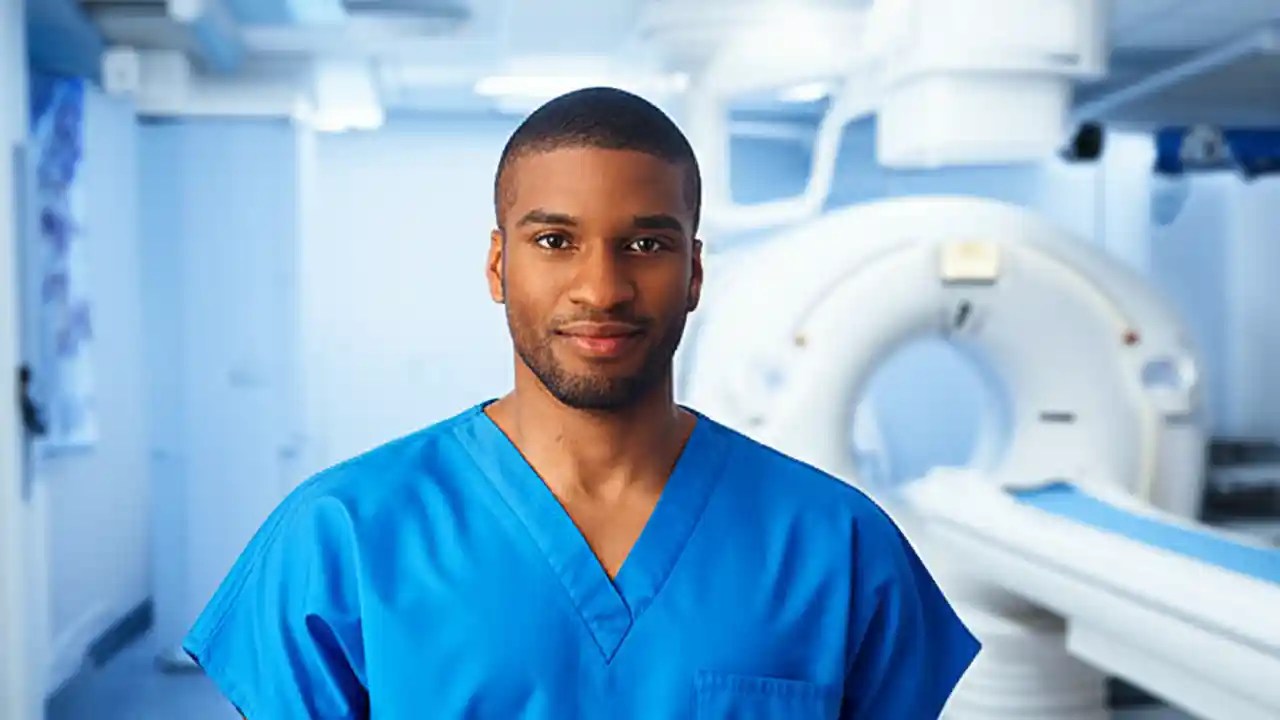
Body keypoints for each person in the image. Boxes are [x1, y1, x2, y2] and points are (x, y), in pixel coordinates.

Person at [184, 86, 980, 719]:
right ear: (499, 266)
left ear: (695, 273)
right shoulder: (342, 538)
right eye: (555, 241)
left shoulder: (837, 547)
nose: (602, 288)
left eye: (646, 244)